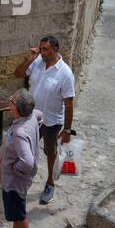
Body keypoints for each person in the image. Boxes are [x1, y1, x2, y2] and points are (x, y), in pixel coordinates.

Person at [15, 34, 75, 204]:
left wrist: (67, 130)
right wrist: (30, 58)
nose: (42, 52)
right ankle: (22, 181)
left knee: (50, 152)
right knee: (26, 150)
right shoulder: (36, 62)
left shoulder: (65, 73)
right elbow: (17, 74)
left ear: (55, 50)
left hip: (51, 121)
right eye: (41, 49)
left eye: (45, 49)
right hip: (31, 117)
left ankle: (50, 182)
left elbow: (69, 105)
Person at [0, 89, 43, 228]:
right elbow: (41, 117)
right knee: (16, 213)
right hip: (16, 180)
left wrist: (13, 168)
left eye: (11, 100)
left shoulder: (20, 132)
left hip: (15, 182)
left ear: (16, 109)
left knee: (20, 215)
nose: (9, 101)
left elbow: (28, 162)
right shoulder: (32, 115)